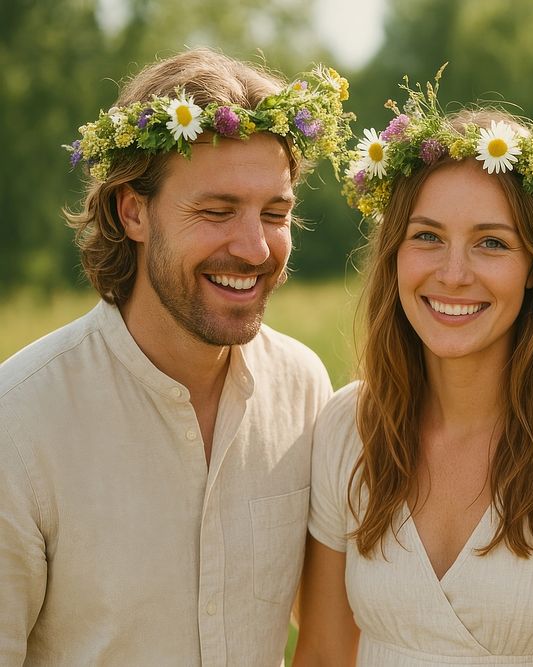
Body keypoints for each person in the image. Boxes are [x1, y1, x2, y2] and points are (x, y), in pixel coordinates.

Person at [294, 70, 533, 665]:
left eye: (492, 243)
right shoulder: (348, 425)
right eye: (427, 236)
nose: (453, 273)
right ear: (393, 256)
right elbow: (322, 654)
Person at [0, 48, 353, 665]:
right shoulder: (20, 421)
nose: (254, 248)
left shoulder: (303, 387)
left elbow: (329, 626)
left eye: (275, 214)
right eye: (216, 212)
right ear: (132, 211)